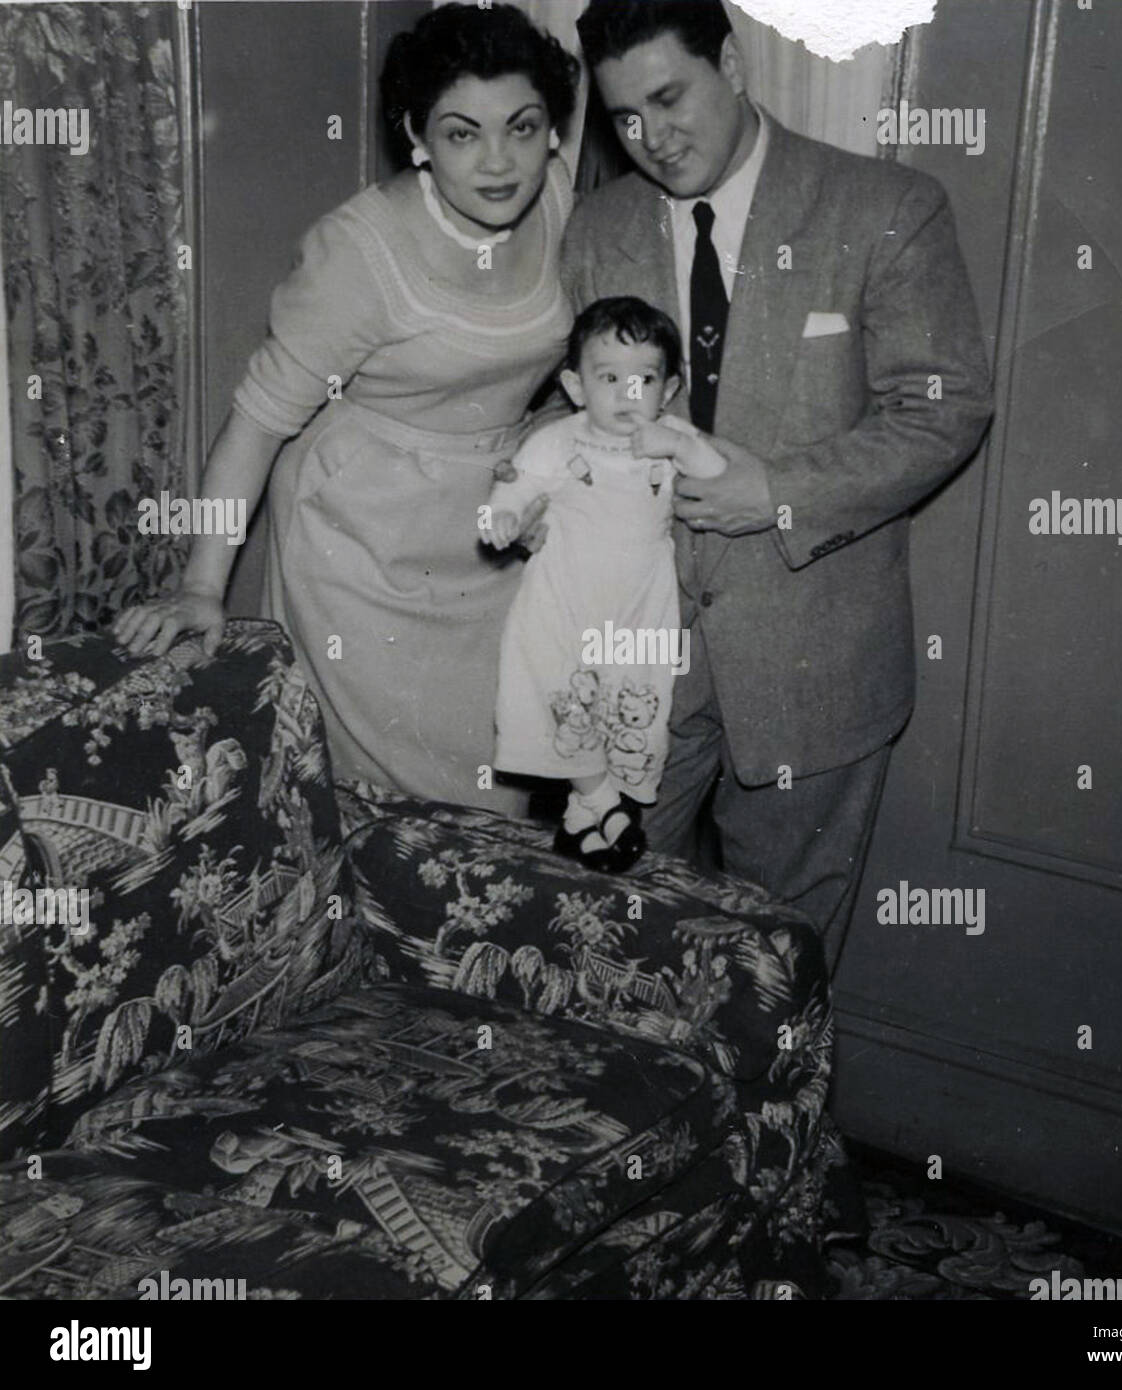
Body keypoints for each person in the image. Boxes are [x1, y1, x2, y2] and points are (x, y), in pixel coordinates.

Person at [565, 0, 994, 974]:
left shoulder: (885, 206)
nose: (652, 138)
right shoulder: (595, 228)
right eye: (624, 117)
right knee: (602, 941)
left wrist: (780, 493)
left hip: (815, 664)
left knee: (777, 973)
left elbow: (945, 406)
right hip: (635, 660)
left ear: (731, 62)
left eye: (669, 99)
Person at [113, 3, 579, 816]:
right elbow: (256, 423)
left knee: (498, 783)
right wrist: (201, 586)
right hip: (362, 545)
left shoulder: (557, 198)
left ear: (553, 132)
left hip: (491, 540)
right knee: (384, 804)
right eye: (462, 133)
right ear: (417, 135)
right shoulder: (358, 253)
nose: (499, 161)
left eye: (523, 126)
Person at [484, 295, 725, 872]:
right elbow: (515, 490)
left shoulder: (669, 436)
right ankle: (601, 800)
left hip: (641, 603)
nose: (628, 393)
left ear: (668, 389)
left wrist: (682, 444)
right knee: (562, 697)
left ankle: (577, 823)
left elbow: (717, 475)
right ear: (575, 385)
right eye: (609, 378)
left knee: (628, 704)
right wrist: (502, 517)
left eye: (646, 379)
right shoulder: (558, 441)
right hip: (564, 597)